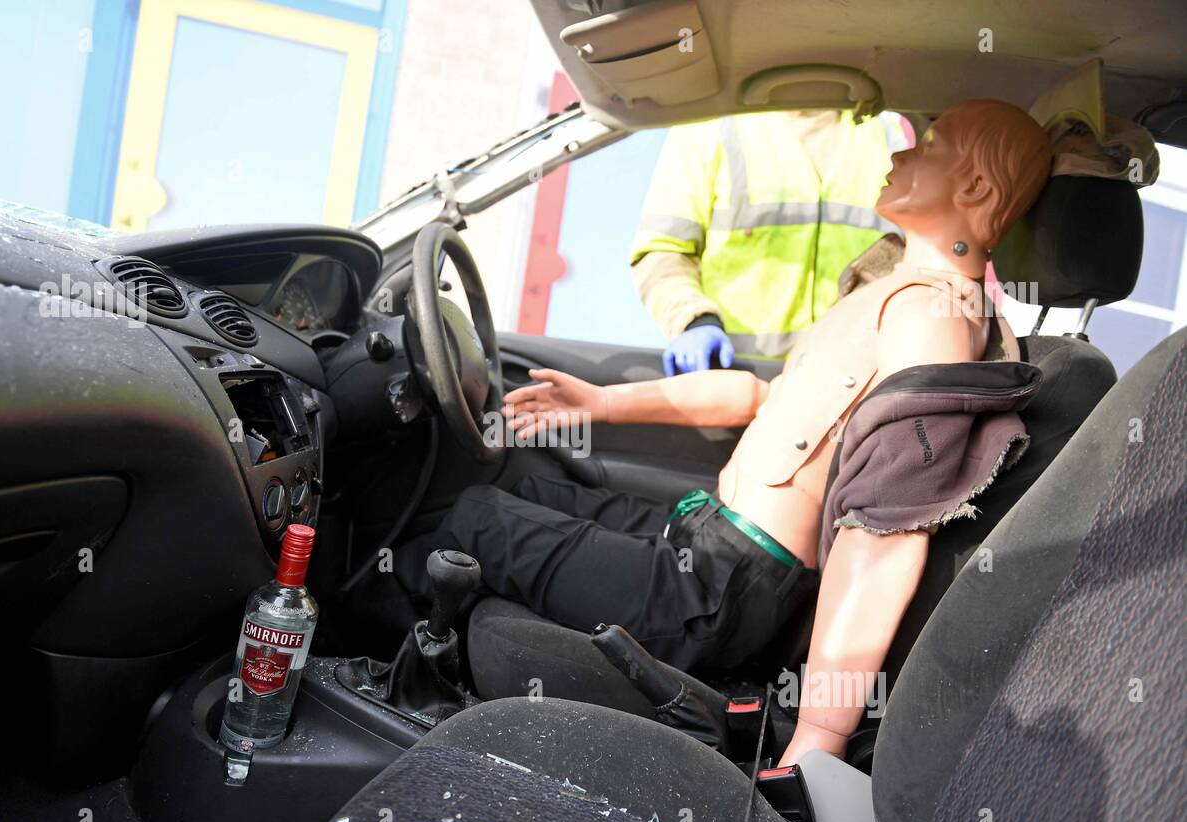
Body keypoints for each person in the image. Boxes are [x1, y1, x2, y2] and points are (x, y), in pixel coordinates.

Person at [394, 100, 1052, 762]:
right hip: (704, 536)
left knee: (478, 519)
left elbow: (886, 526)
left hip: (722, 586)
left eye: (929, 147)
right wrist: (603, 402)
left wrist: (817, 737)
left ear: (974, 189)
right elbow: (762, 395)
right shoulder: (894, 287)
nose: (901, 154)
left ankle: (368, 688)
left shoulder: (934, 315)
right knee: (526, 482)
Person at [632, 110, 907, 374]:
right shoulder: (708, 126)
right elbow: (662, 252)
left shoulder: (894, 134)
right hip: (736, 378)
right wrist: (695, 320)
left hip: (853, 387)